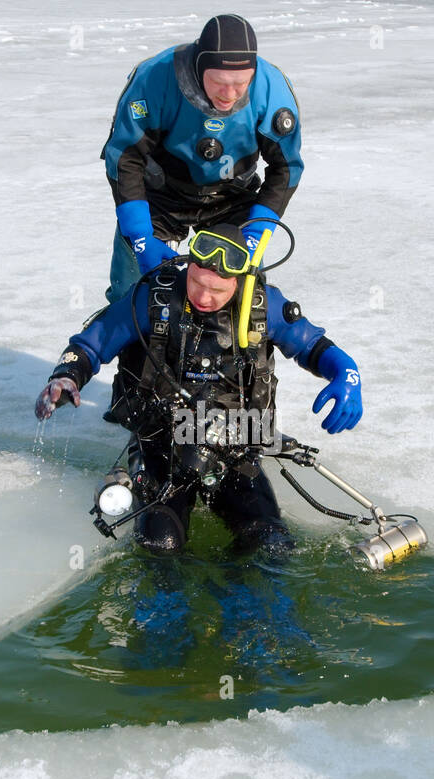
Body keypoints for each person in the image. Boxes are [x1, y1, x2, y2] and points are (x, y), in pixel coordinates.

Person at [35, 223, 360, 555]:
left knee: (272, 545)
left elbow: (315, 347)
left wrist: (347, 372)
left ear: (240, 281)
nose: (204, 297)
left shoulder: (266, 307)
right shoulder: (153, 298)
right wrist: (66, 376)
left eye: (217, 291)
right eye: (196, 282)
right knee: (161, 545)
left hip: (235, 449)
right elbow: (90, 344)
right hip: (160, 446)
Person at [100, 13, 303, 304]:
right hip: (161, 195)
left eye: (241, 83)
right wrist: (141, 235)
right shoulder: (155, 79)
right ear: (200, 66)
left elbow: (287, 166)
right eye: (219, 82)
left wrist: (259, 226)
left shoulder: (271, 90)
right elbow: (124, 157)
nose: (230, 94)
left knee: (241, 293)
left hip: (231, 196)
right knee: (133, 293)